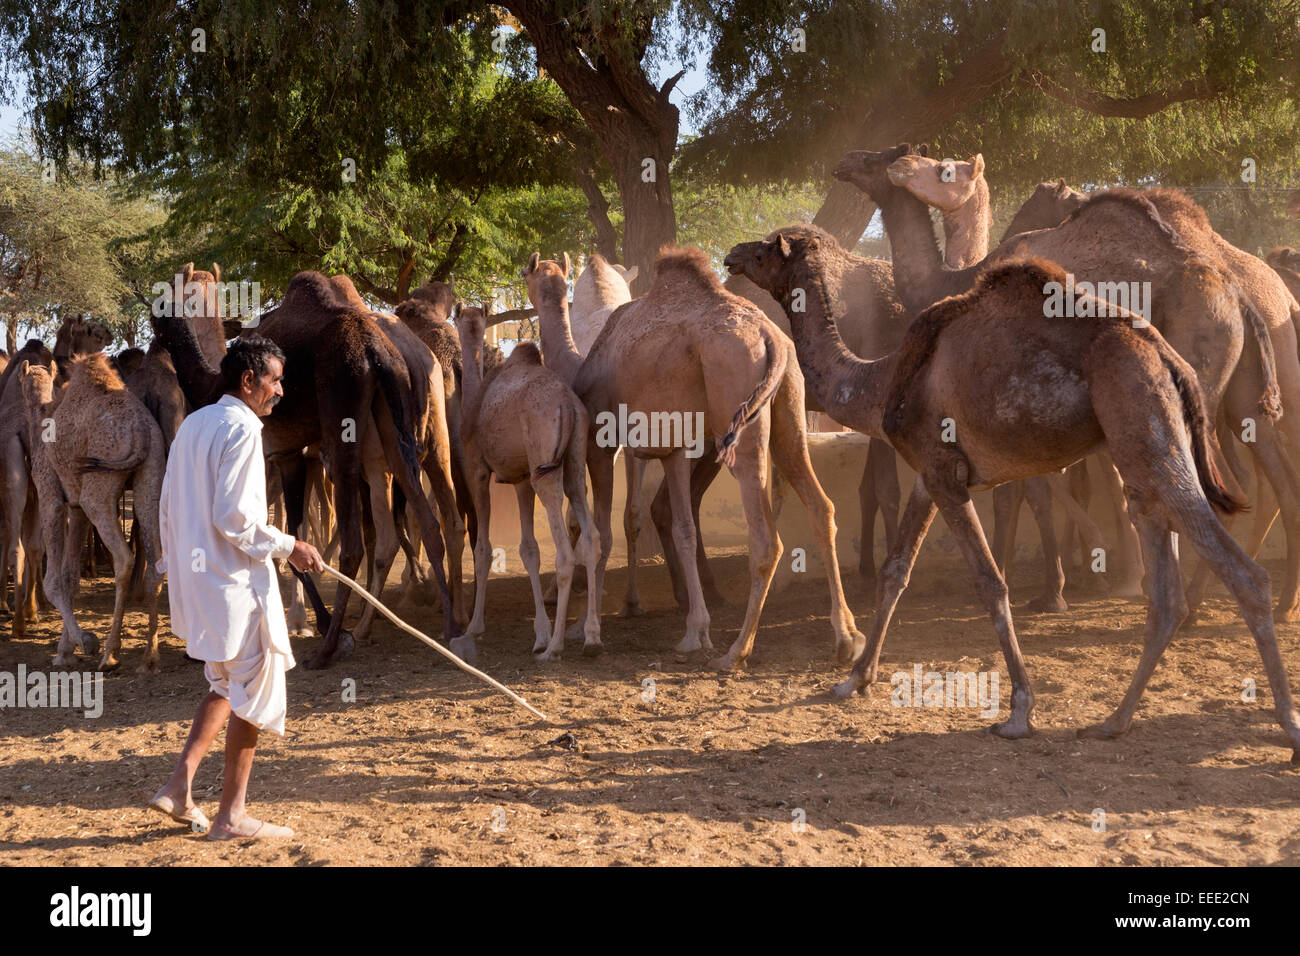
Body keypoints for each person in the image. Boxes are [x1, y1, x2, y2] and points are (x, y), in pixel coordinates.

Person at [148, 335, 323, 840]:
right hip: (235, 588)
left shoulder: (195, 424)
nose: (281, 392)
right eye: (275, 381)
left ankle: (178, 787)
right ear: (249, 381)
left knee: (225, 684)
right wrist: (291, 545)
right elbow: (236, 518)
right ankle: (230, 816)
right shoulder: (243, 429)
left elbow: (166, 506)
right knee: (252, 693)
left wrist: (173, 565)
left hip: (200, 585)